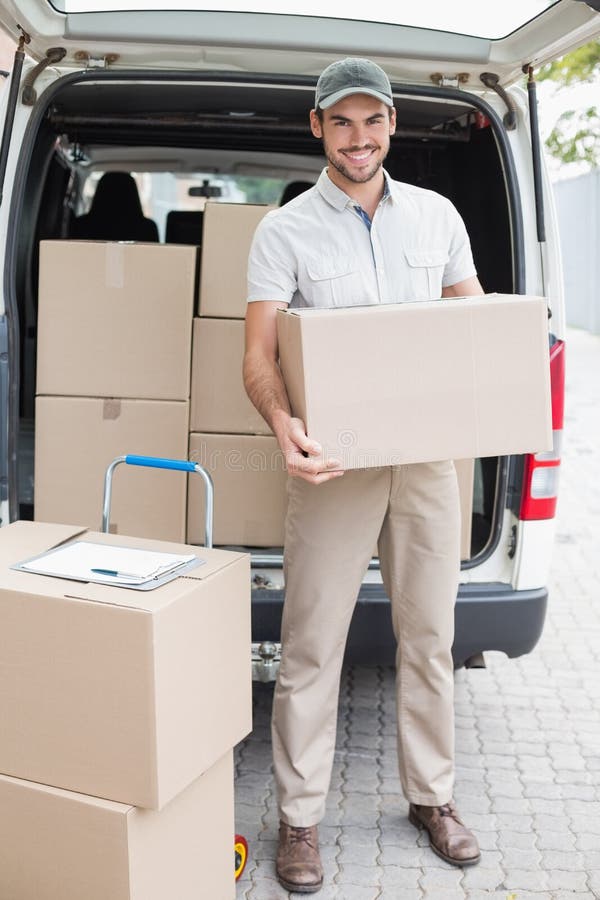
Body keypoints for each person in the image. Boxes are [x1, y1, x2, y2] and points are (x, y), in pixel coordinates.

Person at [243, 57, 484, 894]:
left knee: (431, 638)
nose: (359, 138)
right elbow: (259, 356)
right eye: (341, 121)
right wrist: (284, 426)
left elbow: (472, 324)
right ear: (317, 126)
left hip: (424, 461)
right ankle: (299, 818)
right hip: (333, 462)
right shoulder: (285, 231)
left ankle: (433, 798)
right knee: (312, 643)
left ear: (392, 124)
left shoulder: (437, 217)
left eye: (372, 120)